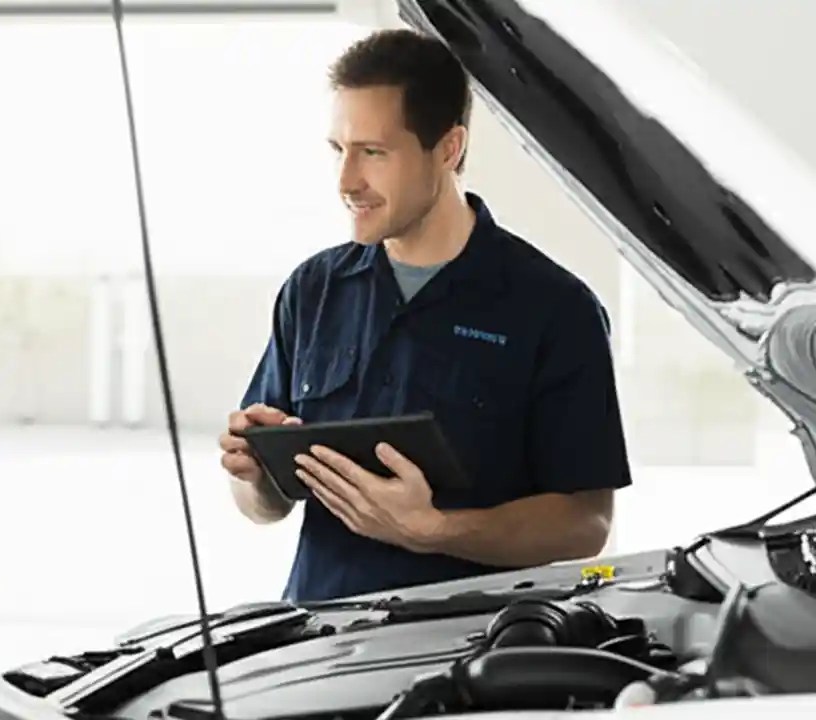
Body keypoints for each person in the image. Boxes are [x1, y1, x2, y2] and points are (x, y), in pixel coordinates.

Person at [219, 29, 632, 603]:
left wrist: (434, 532)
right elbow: (265, 507)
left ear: (449, 148)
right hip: (318, 641)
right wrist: (256, 475)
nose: (346, 182)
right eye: (339, 150)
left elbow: (586, 524)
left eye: (374, 152)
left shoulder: (557, 310)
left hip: (473, 655)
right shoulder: (311, 291)